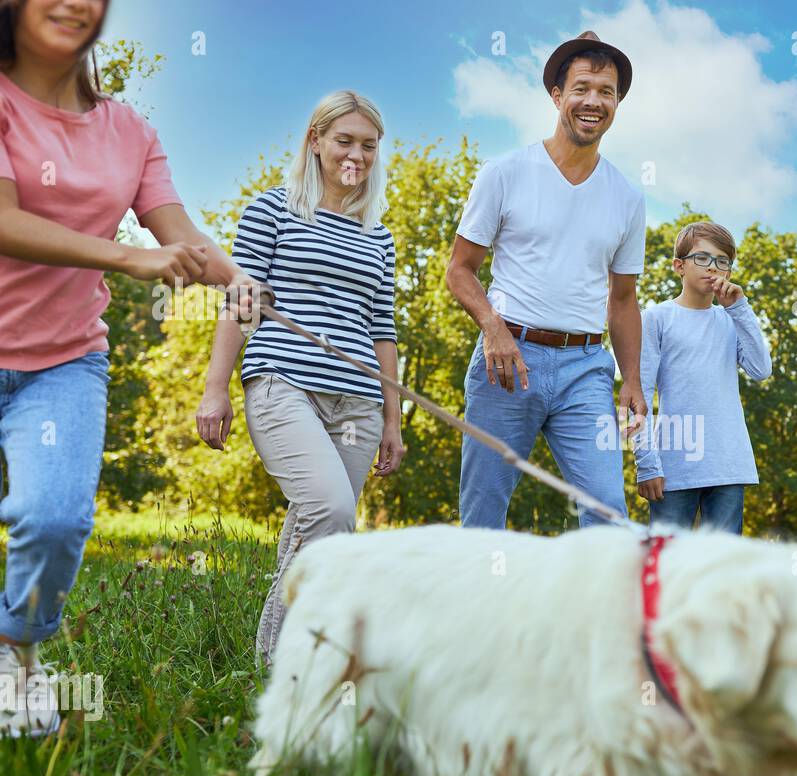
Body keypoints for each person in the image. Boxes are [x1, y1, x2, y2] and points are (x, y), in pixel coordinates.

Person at [0, 0, 262, 736]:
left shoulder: (130, 132)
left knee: (53, 520)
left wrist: (235, 278)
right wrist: (128, 256)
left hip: (63, 359)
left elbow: (178, 231)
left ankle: (16, 650)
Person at [195, 90, 405, 666]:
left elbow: (383, 330)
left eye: (367, 145)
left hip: (359, 403)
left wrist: (393, 419)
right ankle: (283, 658)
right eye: (344, 140)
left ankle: (289, 660)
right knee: (331, 510)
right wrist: (216, 388)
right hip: (283, 383)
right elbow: (242, 304)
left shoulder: (379, 236)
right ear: (315, 141)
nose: (355, 155)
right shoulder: (273, 209)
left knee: (318, 526)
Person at [444, 30, 647, 529]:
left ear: (617, 102)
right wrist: (492, 327)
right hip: (509, 360)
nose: (593, 101)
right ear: (557, 95)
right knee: (483, 511)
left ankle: (602, 608)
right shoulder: (505, 172)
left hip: (586, 369)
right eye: (582, 88)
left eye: (606, 92)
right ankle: (474, 605)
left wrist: (634, 381)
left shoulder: (627, 197)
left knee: (608, 512)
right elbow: (459, 269)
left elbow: (623, 301)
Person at [635, 222, 771, 533]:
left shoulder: (731, 318)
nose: (713, 267)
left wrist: (740, 308)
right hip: (673, 468)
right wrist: (646, 463)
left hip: (728, 464)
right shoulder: (656, 318)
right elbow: (639, 394)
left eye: (722, 261)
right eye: (702, 258)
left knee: (722, 567)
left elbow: (760, 369)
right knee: (666, 560)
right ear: (678, 266)